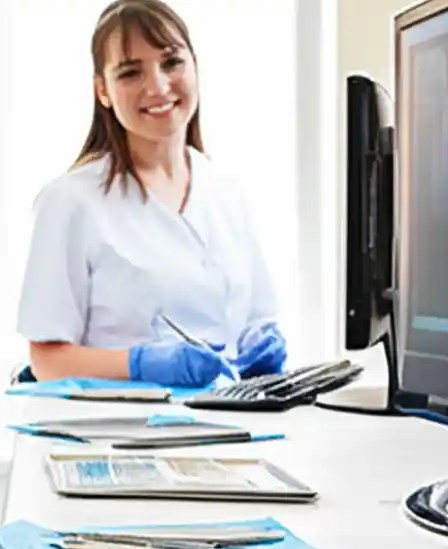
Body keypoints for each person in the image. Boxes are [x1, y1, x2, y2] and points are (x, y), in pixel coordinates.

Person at [16, 0, 288, 388]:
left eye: (172, 62)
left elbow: (256, 318)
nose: (158, 86)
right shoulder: (69, 201)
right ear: (103, 91)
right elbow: (47, 362)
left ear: (195, 68)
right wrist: (141, 364)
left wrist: (260, 343)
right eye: (130, 72)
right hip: (121, 422)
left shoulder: (225, 190)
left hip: (231, 414)